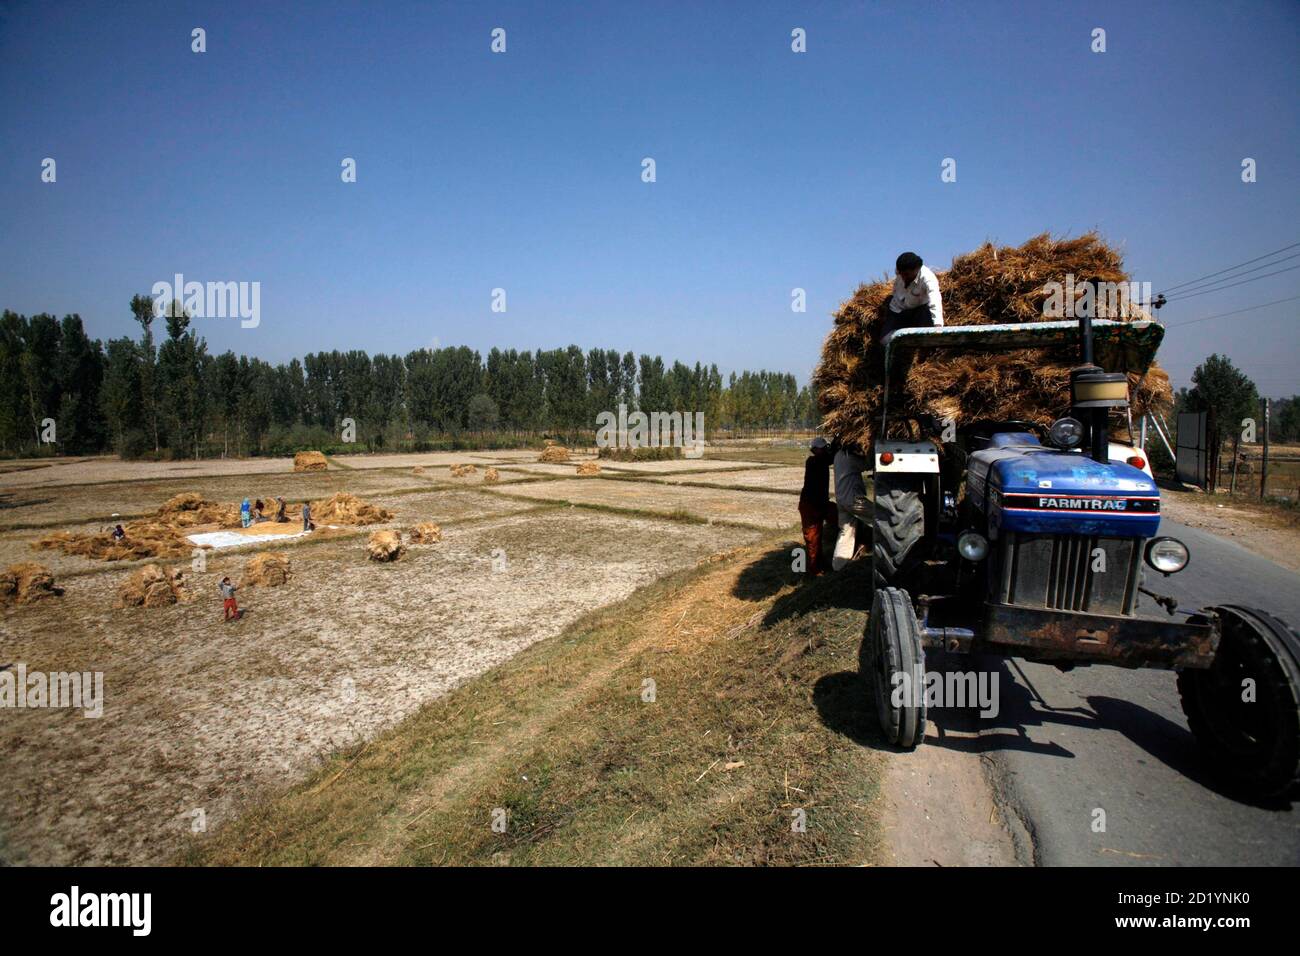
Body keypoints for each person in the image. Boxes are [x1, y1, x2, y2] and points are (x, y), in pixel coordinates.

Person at [798, 438, 837, 576]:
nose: (825, 450)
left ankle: (823, 562)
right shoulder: (813, 461)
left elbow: (830, 458)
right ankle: (815, 570)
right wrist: (836, 446)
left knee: (841, 519)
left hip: (822, 503)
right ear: (814, 449)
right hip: (810, 505)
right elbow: (828, 459)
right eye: (823, 448)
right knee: (813, 538)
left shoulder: (822, 460)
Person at [884, 251, 944, 336]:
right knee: (885, 339)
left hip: (919, 312)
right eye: (901, 274)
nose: (903, 277)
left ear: (917, 269)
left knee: (926, 334)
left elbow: (935, 300)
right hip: (898, 310)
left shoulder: (928, 278)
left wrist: (938, 327)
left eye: (906, 274)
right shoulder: (899, 272)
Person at [832, 442, 870, 571]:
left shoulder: (838, 455)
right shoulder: (850, 458)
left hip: (841, 500)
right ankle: (878, 551)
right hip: (854, 500)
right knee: (882, 517)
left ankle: (838, 567)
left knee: (845, 532)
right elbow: (868, 464)